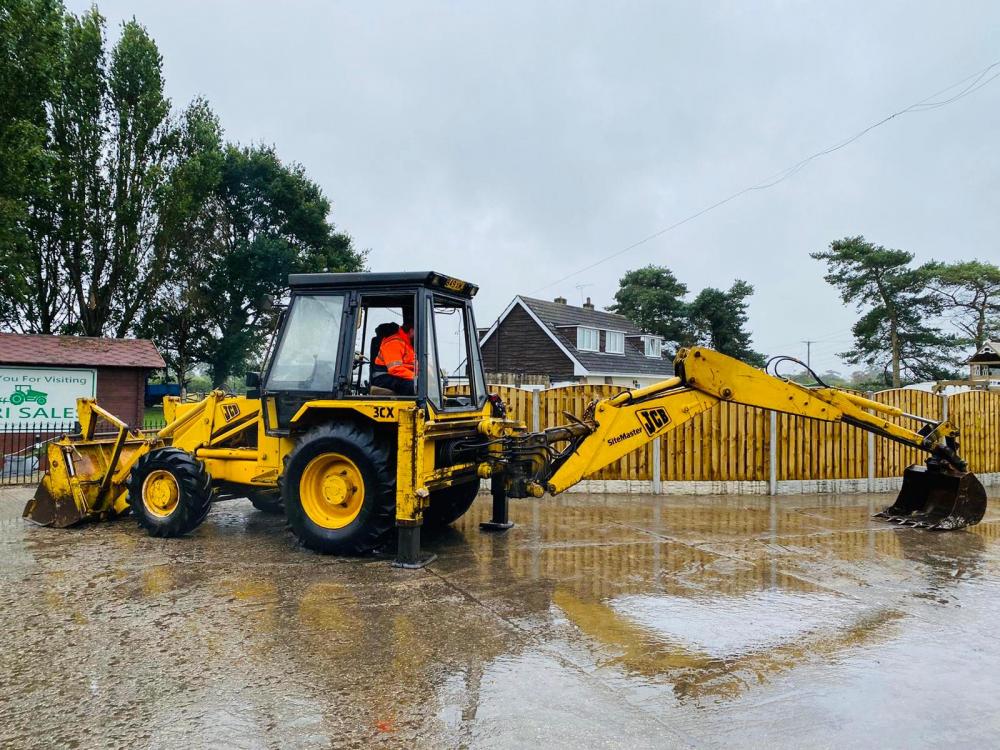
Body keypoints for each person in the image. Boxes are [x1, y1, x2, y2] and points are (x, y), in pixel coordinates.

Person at [372, 310, 415, 395]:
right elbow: (395, 369)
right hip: (383, 377)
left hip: (393, 376)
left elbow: (410, 363)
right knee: (413, 386)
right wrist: (415, 377)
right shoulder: (394, 342)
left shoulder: (407, 343)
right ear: (411, 330)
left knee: (420, 385)